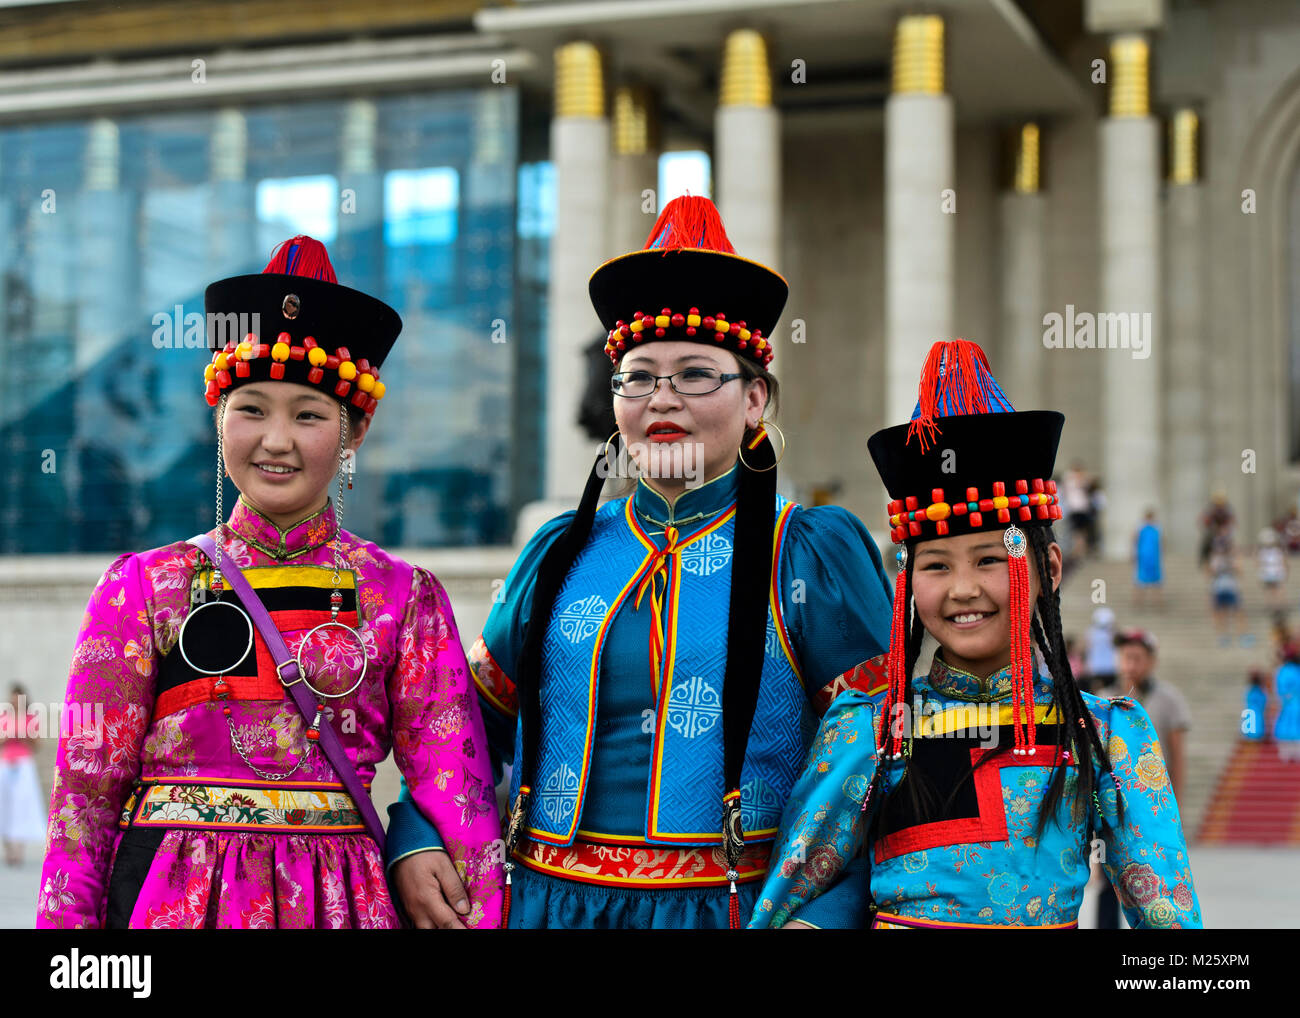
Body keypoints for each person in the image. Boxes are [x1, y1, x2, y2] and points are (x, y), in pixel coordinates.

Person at [384, 195, 895, 928]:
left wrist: (831, 915)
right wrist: (416, 835)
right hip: (546, 908)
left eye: (695, 375)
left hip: (730, 912)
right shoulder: (559, 552)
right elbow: (462, 731)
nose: (663, 398)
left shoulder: (808, 554)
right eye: (639, 376)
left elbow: (875, 762)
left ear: (755, 400)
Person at [36, 237, 503, 928]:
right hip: (170, 905)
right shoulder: (144, 586)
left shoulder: (403, 599)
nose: (276, 440)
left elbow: (455, 789)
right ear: (218, 417)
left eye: (308, 415)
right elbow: (85, 798)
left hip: (344, 905)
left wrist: (484, 911)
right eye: (251, 408)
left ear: (356, 432)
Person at [750, 339, 1201, 929]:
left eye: (990, 560)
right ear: (907, 582)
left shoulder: (1105, 735)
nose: (963, 589)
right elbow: (795, 899)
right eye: (936, 565)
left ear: (1052, 570)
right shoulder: (867, 730)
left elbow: (1168, 920)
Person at [0, 684, 45, 867]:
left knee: (22, 806)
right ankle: (8, 848)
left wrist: (24, 734)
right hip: (6, 763)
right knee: (5, 805)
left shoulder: (30, 718)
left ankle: (19, 849)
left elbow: (37, 743)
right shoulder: (4, 717)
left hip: (23, 764)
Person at [1133, 509, 1163, 611]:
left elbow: (1161, 542)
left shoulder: (1157, 528)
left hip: (1153, 557)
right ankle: (1138, 604)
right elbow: (1135, 539)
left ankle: (1157, 604)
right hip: (1144, 557)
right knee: (1141, 581)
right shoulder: (1141, 528)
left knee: (1156, 582)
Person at [1276, 647, 1300, 763]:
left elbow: (1280, 689)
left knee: (1286, 727)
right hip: (1296, 702)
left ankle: (1286, 754)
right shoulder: (1296, 670)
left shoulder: (1282, 671)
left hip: (1287, 703)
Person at [1257, 528, 1288, 613]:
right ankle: (1276, 605)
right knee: (1273, 590)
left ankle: (1275, 605)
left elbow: (1259, 563)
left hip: (1272, 572)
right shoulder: (1276, 551)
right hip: (1273, 572)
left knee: (1273, 590)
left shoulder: (1266, 552)